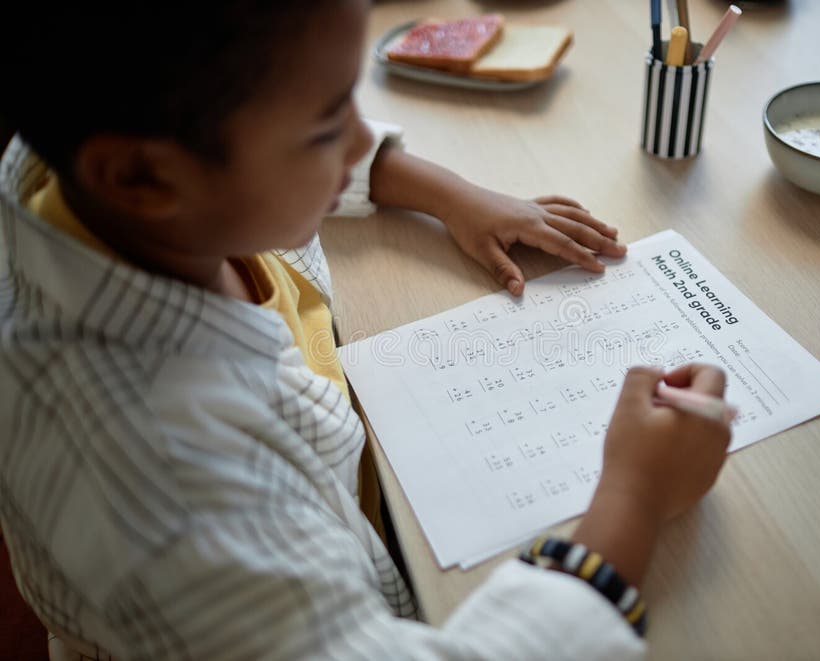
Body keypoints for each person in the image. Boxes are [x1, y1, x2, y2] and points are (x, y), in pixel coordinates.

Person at [0, 1, 731, 658]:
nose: (360, 144)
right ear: (142, 179)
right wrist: (632, 499)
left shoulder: (93, 160)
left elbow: (277, 118)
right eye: (328, 128)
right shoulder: (172, 495)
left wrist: (447, 193)